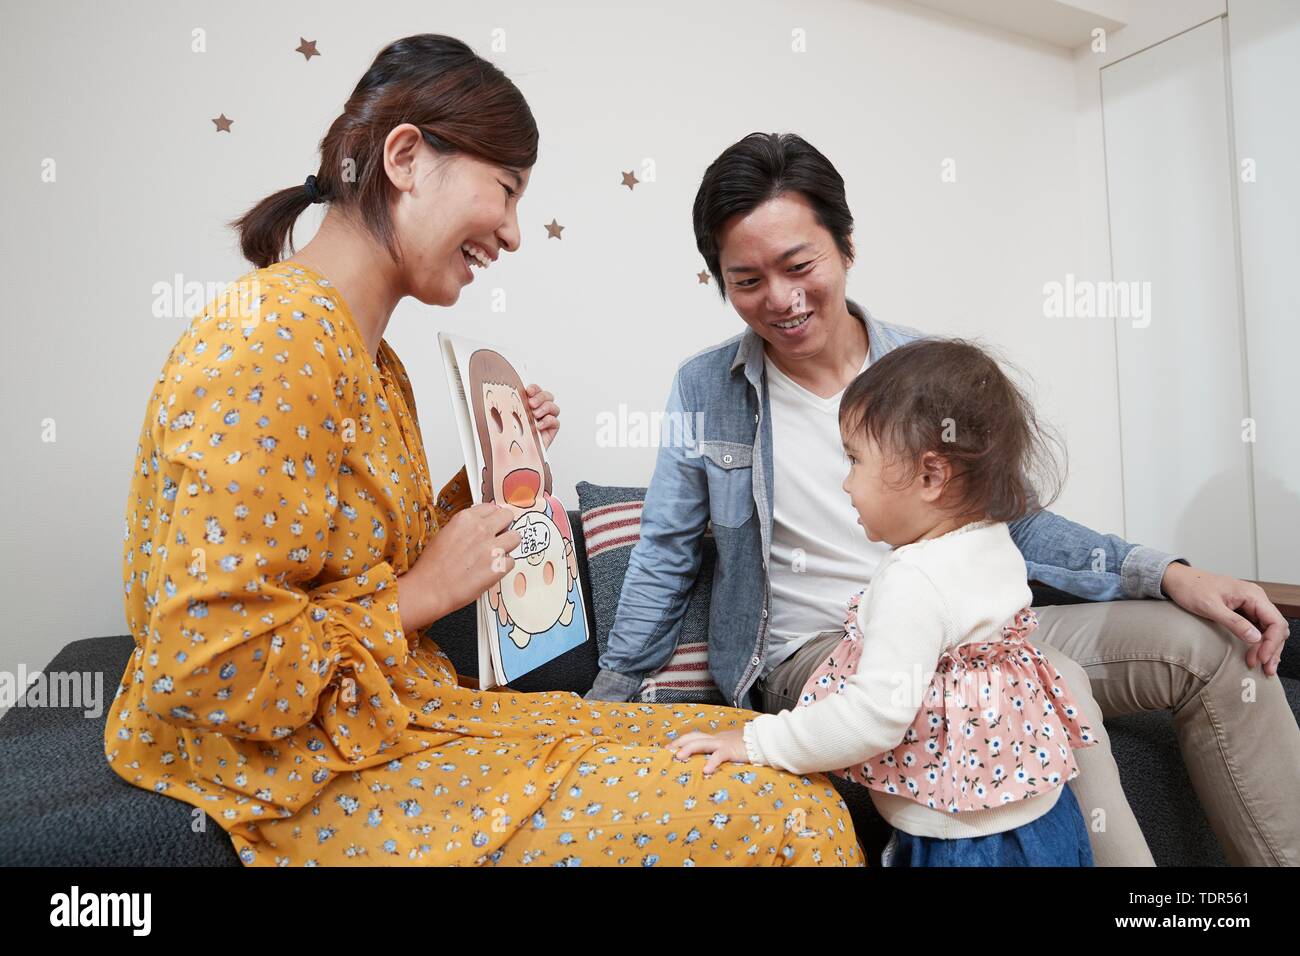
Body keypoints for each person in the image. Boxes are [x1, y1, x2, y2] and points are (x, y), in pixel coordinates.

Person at [104, 35, 861, 867]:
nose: (512, 231)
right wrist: (423, 594)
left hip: (397, 712)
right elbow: (205, 664)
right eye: (504, 190)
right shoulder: (274, 338)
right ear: (404, 157)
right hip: (310, 764)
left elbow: (353, 566)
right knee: (790, 813)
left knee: (762, 744)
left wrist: (493, 483)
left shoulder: (372, 358)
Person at [587, 132, 1298, 866]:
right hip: (830, 652)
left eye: (799, 265)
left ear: (847, 247)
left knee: (1217, 648)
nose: (781, 299)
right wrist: (608, 698)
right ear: (721, 282)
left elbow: (1015, 519)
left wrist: (1170, 573)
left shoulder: (922, 372)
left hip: (979, 630)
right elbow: (666, 549)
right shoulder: (706, 389)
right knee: (1057, 686)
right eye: (747, 280)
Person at [669, 338, 1098, 866]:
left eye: (853, 460)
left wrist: (756, 741)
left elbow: (872, 718)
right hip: (1044, 820)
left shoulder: (913, 579)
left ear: (931, 475)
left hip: (964, 843)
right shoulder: (993, 542)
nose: (845, 484)